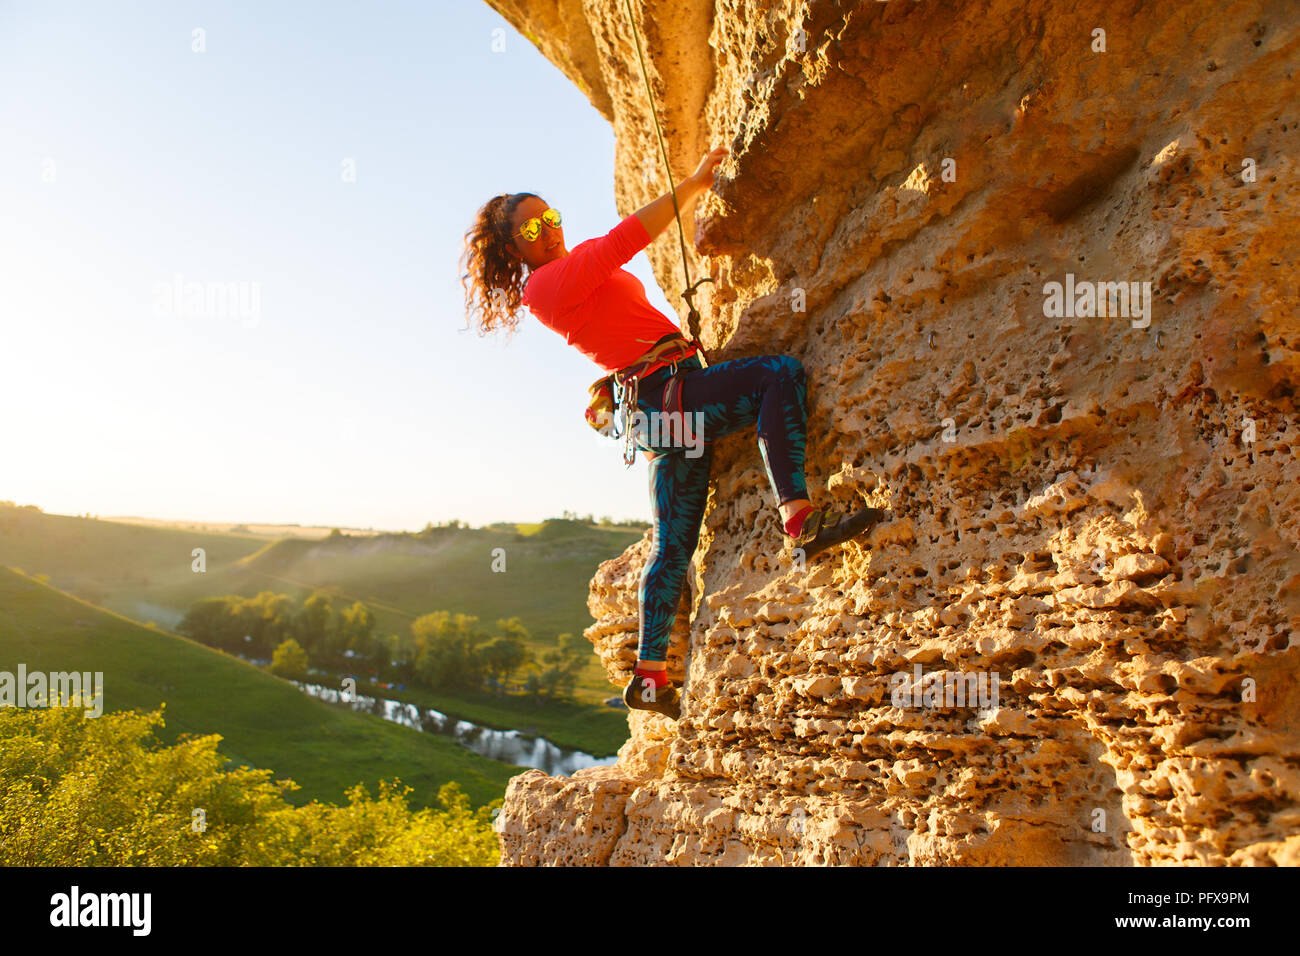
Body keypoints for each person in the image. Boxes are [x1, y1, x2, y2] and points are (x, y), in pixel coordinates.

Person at [459, 146, 884, 720]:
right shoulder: (545, 287)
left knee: (672, 544)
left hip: (665, 409)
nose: (549, 231)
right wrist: (694, 185)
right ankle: (800, 519)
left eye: (552, 218)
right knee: (777, 376)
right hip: (669, 395)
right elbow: (622, 241)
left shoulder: (571, 269)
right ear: (514, 248)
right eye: (533, 228)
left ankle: (650, 674)